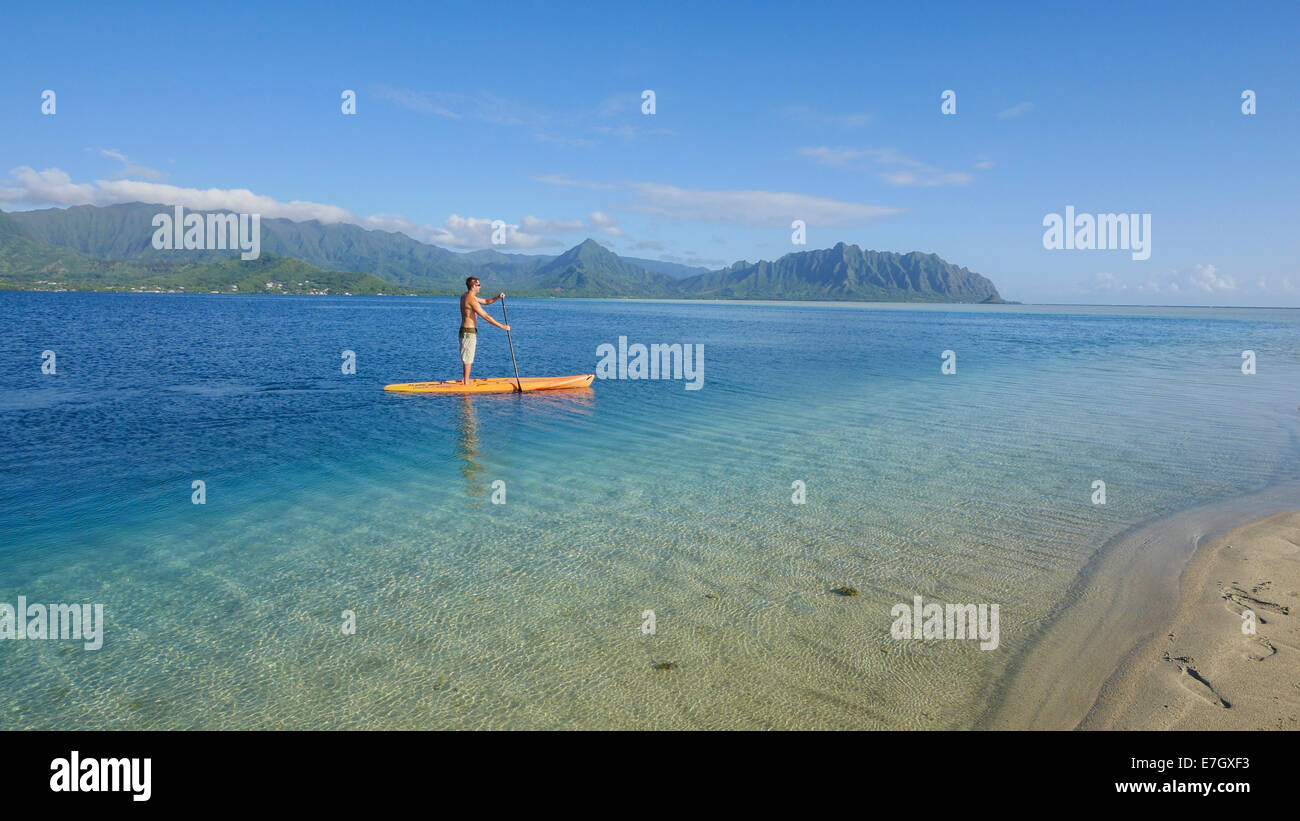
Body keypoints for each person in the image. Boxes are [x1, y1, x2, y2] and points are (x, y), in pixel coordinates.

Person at [458, 277, 509, 384]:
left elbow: (486, 301)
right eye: (479, 285)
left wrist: (498, 297)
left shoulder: (465, 296)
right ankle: (466, 382)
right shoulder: (471, 300)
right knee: (468, 357)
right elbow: (486, 316)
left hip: (465, 331)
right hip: (468, 332)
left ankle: (464, 379)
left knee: (467, 355)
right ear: (473, 286)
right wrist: (502, 327)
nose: (480, 287)